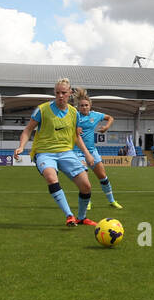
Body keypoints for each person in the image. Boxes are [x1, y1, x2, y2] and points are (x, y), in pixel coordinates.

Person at [14, 78, 96, 227]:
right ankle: (69, 215)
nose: (60, 95)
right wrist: (21, 146)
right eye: (57, 92)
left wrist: (87, 154)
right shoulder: (42, 109)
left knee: (86, 186)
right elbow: (28, 129)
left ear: (69, 93)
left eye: (63, 92)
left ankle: (82, 218)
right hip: (44, 153)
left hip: (66, 152)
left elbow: (76, 136)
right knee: (52, 178)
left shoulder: (74, 113)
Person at [73, 89, 122, 209]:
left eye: (86, 105)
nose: (84, 107)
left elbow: (110, 117)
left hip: (92, 151)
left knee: (103, 176)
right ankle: (87, 202)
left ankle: (112, 201)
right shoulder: (74, 116)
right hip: (78, 152)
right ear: (78, 107)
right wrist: (73, 131)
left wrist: (106, 127)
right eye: (81, 106)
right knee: (85, 180)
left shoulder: (95, 115)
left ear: (90, 106)